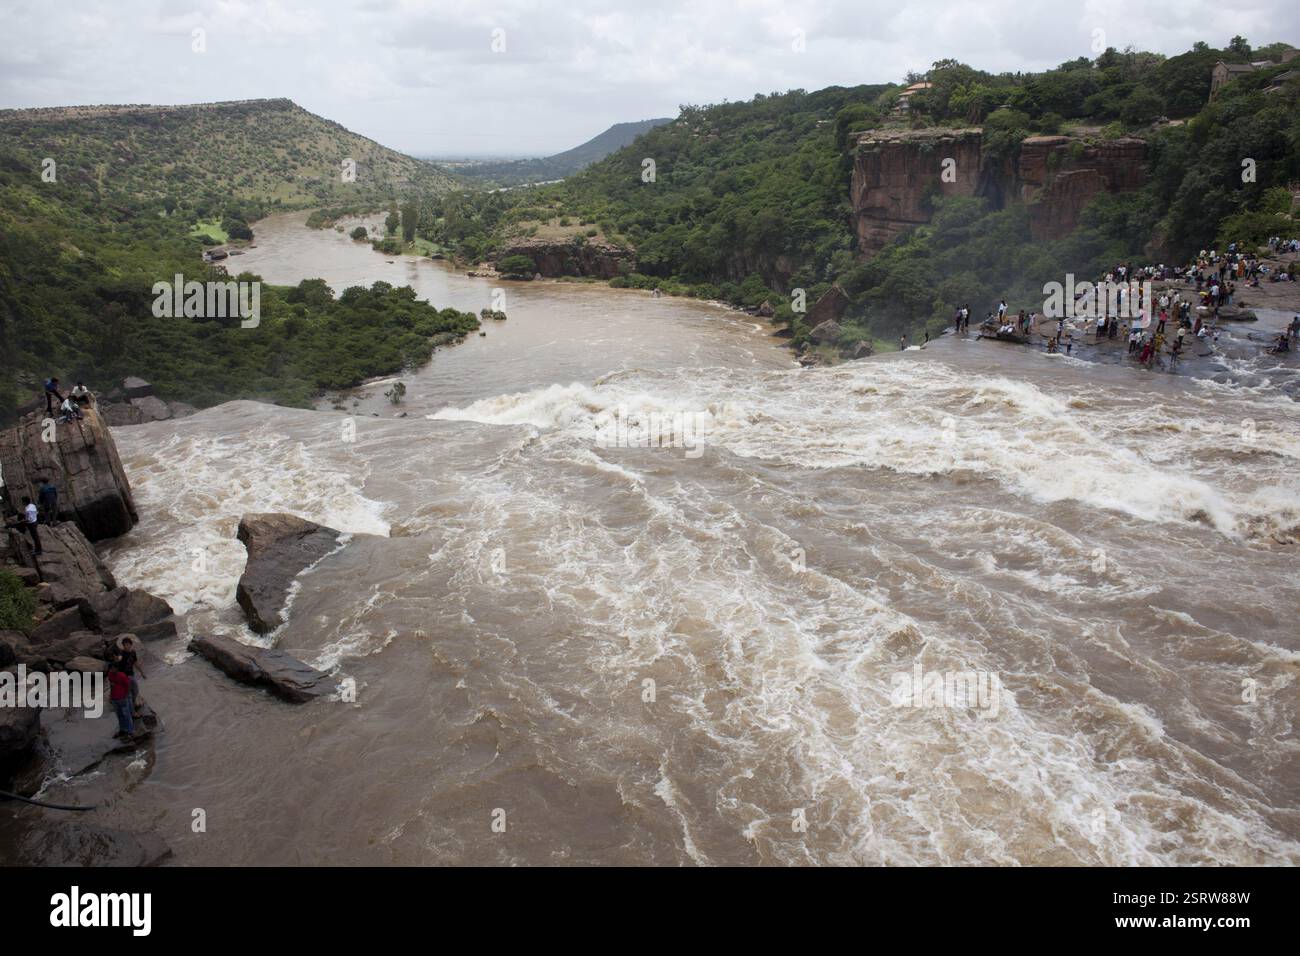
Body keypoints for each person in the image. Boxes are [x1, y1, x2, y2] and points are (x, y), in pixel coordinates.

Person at [117, 636, 146, 717]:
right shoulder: (121, 653)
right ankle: (133, 713)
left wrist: (142, 673)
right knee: (128, 694)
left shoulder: (133, 652)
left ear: (131, 644)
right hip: (124, 677)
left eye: (128, 644)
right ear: (123, 646)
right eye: (125, 645)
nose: (126, 646)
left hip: (131, 674)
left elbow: (136, 663)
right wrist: (118, 659)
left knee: (136, 691)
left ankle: (133, 705)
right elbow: (119, 658)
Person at [108, 660, 134, 739]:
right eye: (111, 669)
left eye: (114, 668)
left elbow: (128, 685)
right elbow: (111, 685)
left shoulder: (122, 675)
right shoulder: (110, 675)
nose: (112, 670)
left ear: (117, 668)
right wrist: (110, 696)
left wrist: (126, 696)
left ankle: (130, 732)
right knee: (119, 715)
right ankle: (122, 730)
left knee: (127, 715)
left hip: (122, 699)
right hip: (114, 699)